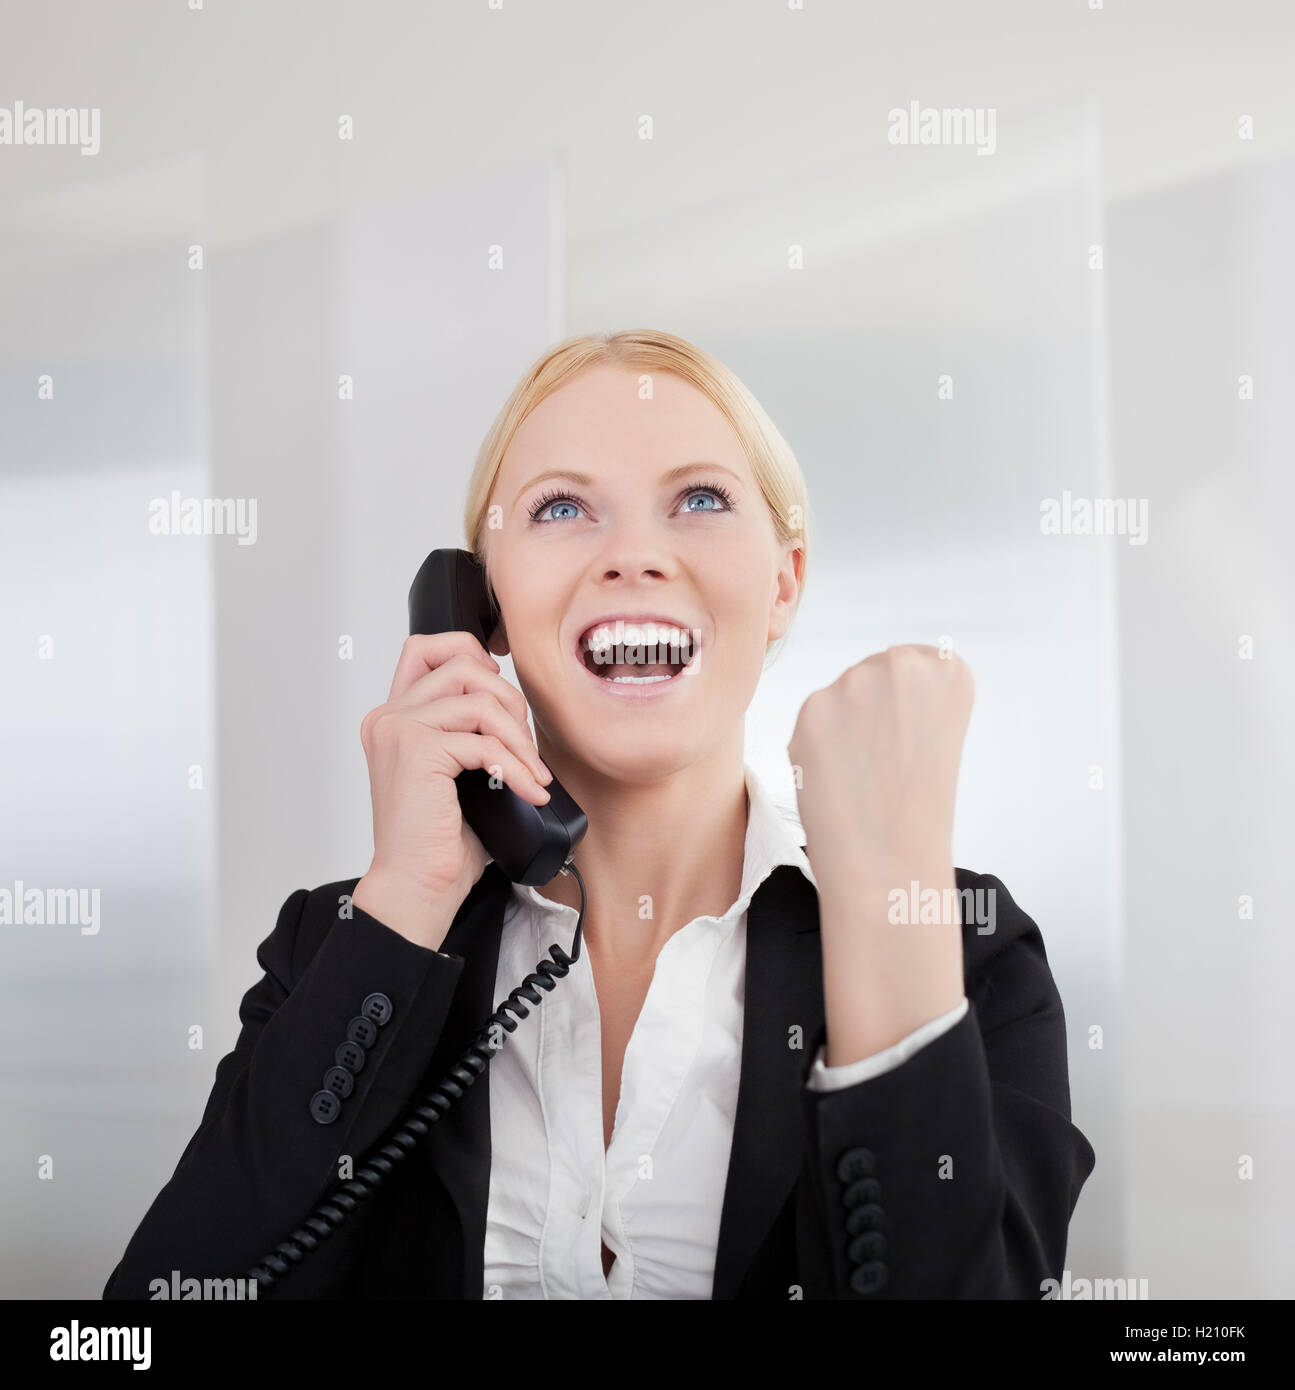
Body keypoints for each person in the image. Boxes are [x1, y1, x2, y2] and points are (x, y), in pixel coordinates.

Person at [103, 328, 1095, 1300]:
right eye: (561, 507)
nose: (633, 554)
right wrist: (408, 894)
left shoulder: (960, 947)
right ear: (479, 602)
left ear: (782, 583)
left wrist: (887, 905)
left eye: (699, 498)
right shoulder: (340, 944)